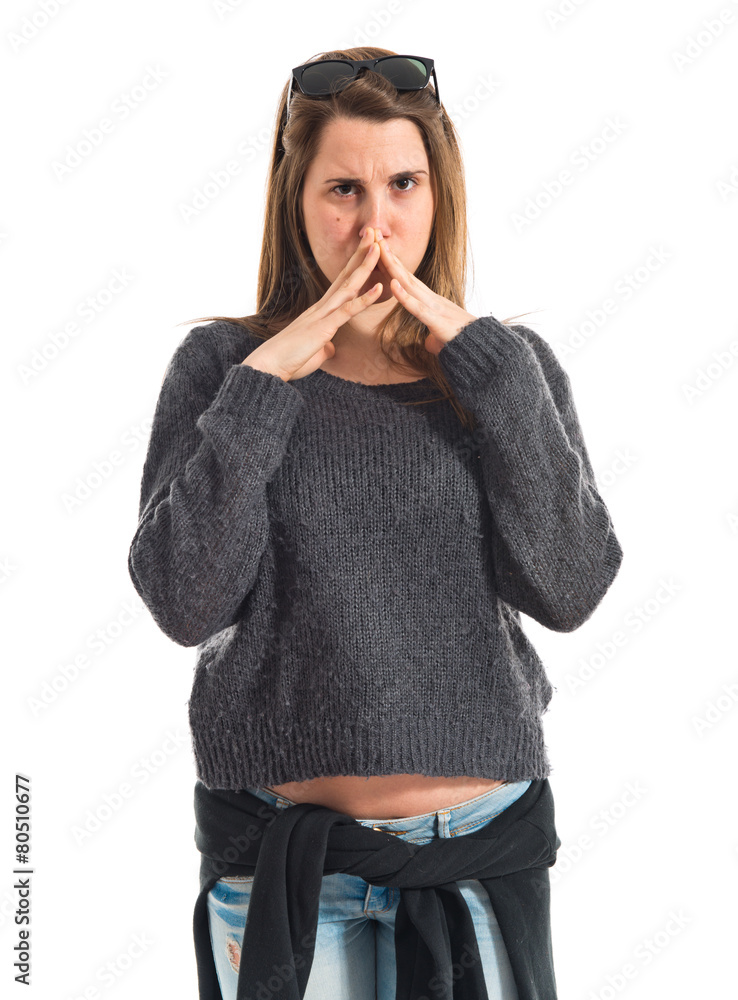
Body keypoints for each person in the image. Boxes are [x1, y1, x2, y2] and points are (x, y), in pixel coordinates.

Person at [128, 47, 624, 1000]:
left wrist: (485, 367)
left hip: (479, 861)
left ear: (439, 193)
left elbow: (571, 587)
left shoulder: (506, 369)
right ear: (295, 199)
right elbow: (186, 601)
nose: (375, 222)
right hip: (288, 868)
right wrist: (268, 384)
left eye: (403, 183)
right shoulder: (225, 368)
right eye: (342, 189)